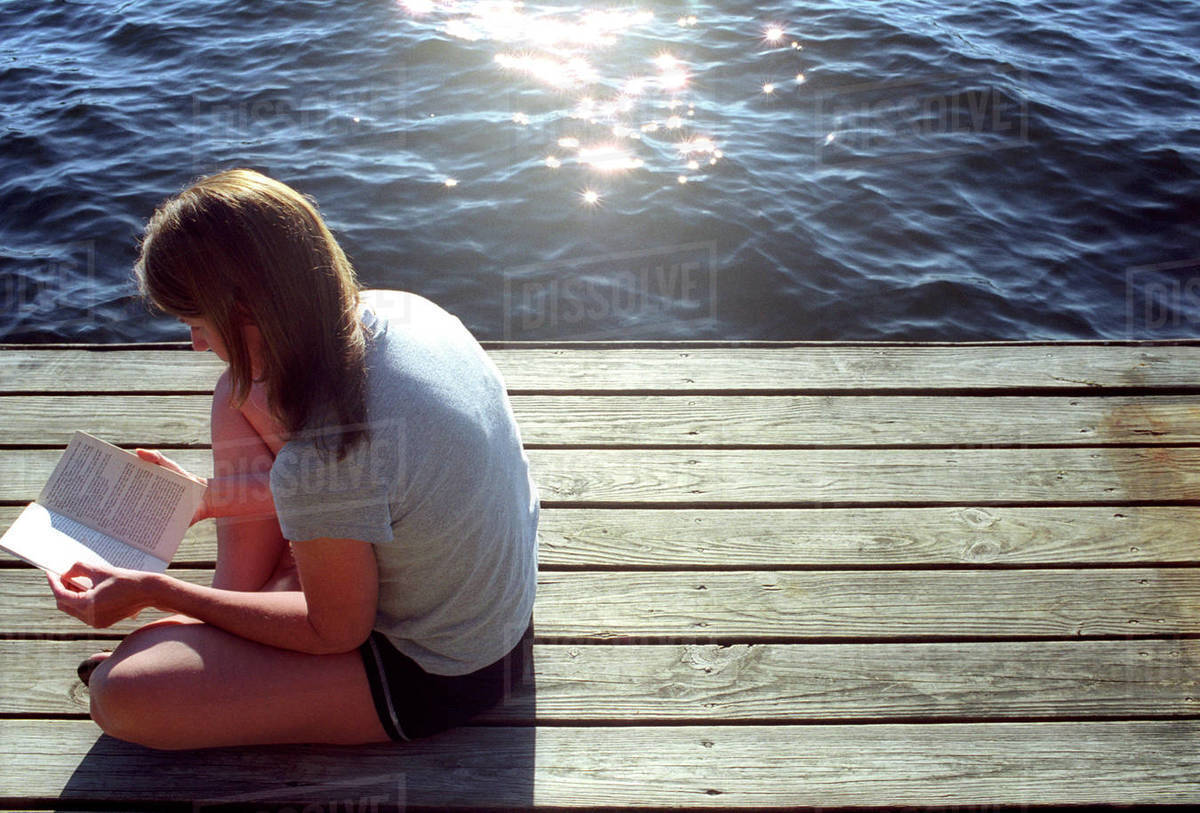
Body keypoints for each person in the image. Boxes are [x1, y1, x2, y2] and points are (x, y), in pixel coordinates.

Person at [46, 169, 539, 749]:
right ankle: (226, 620)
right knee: (237, 391)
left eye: (199, 325)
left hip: (442, 667)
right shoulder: (400, 310)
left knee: (121, 694)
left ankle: (214, 633)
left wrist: (161, 591)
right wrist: (209, 498)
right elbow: (376, 482)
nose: (195, 344)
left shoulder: (328, 452)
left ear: (248, 312)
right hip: (492, 606)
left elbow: (333, 630)